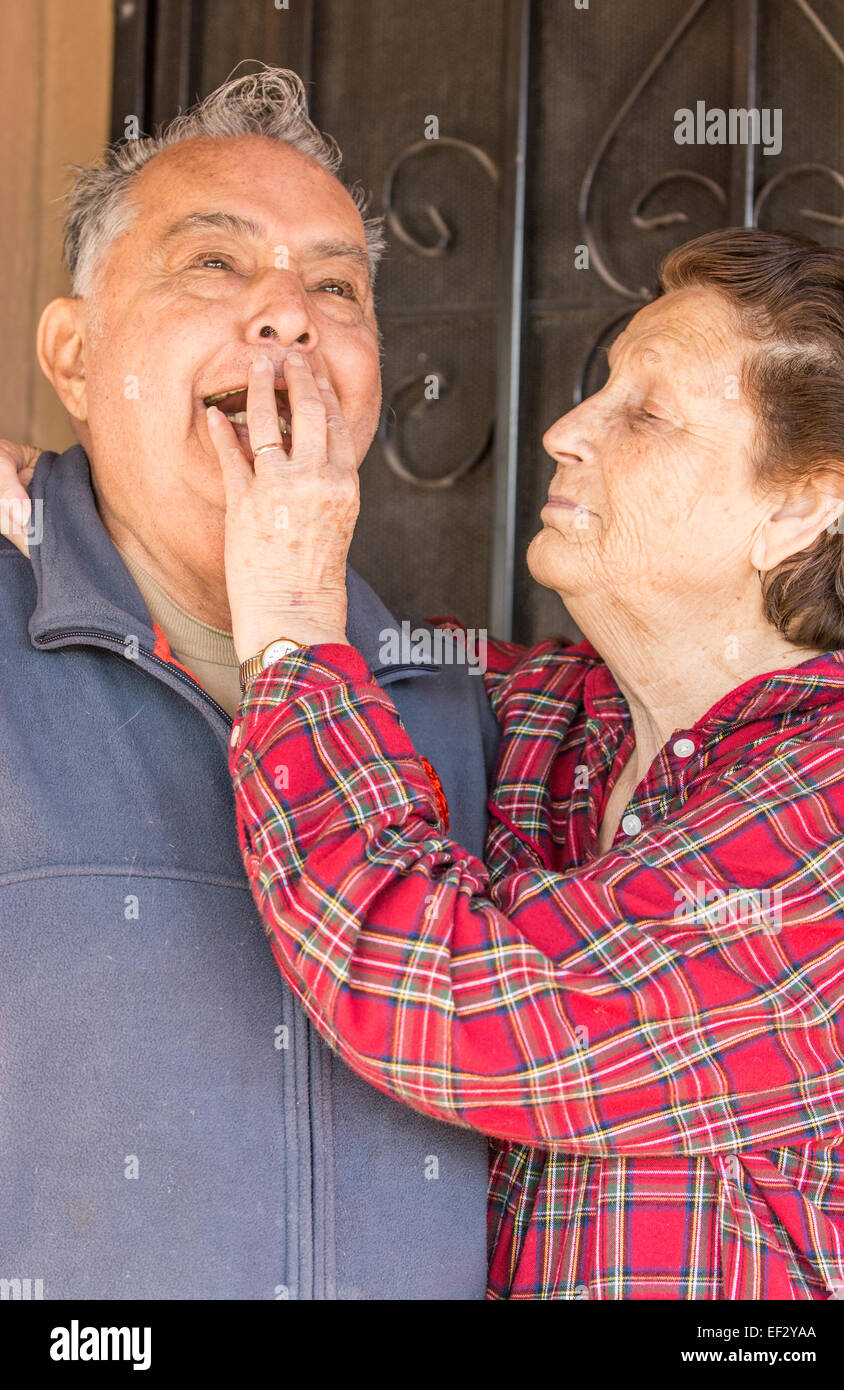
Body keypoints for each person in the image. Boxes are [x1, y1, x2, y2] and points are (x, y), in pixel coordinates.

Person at [199, 226, 844, 1300]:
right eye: (599, 391)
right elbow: (330, 680)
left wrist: (284, 610)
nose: (562, 430)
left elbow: (461, 1002)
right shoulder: (556, 714)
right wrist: (68, 511)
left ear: (798, 506)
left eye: (642, 413)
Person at [0, 67, 498, 1300]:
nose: (288, 315)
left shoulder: (466, 709)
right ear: (74, 352)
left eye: (335, 287)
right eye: (213, 264)